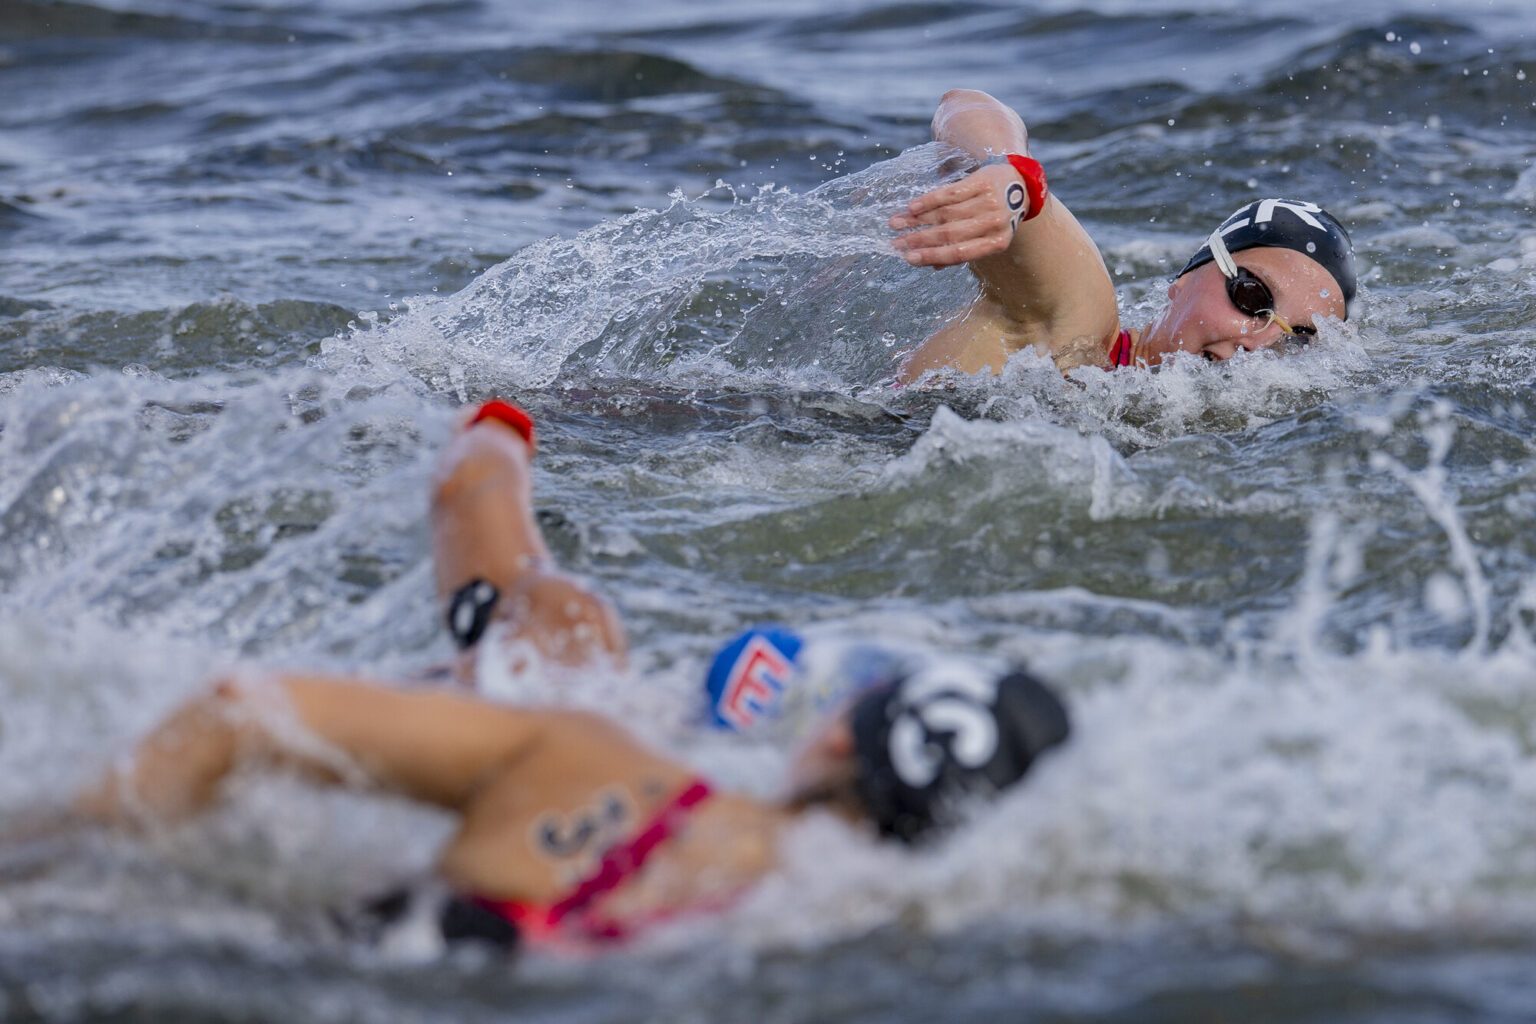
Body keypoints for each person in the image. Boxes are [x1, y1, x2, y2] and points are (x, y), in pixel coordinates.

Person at [15, 401, 1072, 953]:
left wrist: (52, 844)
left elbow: (240, 710)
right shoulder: (879, 919)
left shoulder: (590, 737)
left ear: (838, 732)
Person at [889, 90, 1357, 379]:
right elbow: (967, 103)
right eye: (1253, 298)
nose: (1260, 344)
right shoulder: (1080, 328)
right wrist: (1007, 171)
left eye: (1298, 339)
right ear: (1188, 277)